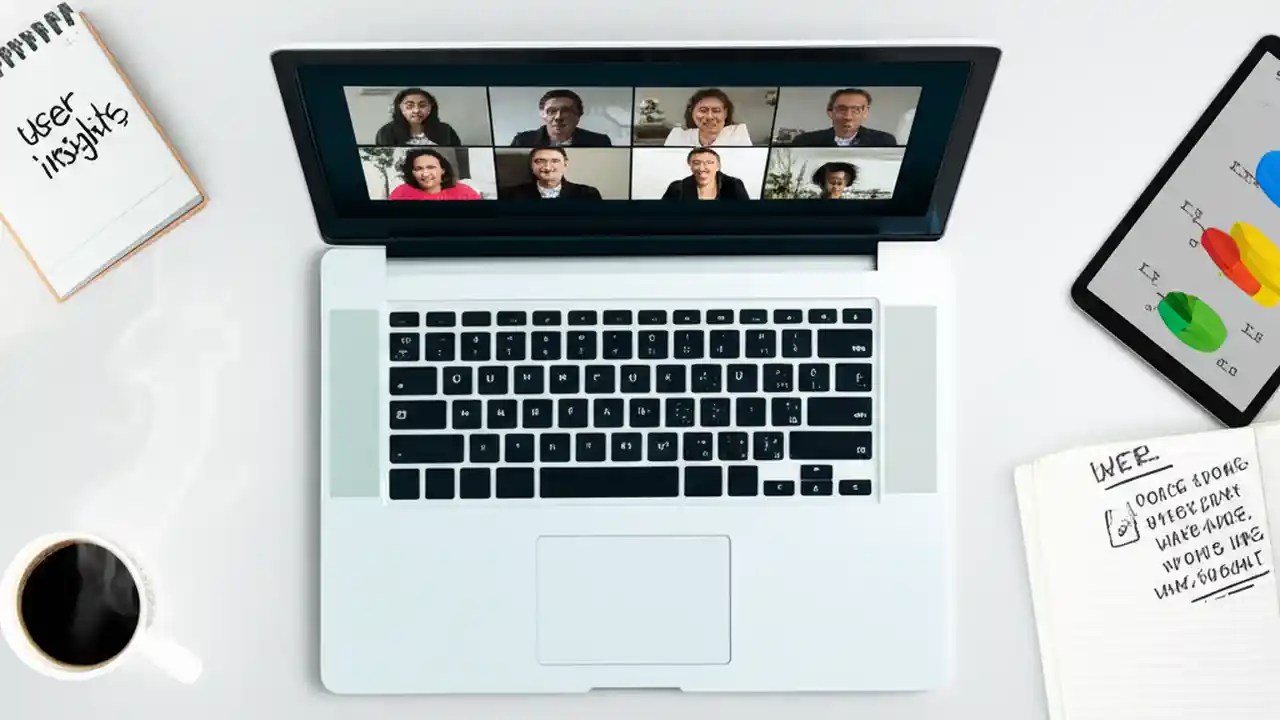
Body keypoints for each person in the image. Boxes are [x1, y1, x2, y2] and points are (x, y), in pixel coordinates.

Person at [788, 88, 898, 147]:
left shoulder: (884, 141)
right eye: (842, 109)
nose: (848, 117)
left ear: (865, 112)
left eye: (856, 110)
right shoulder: (804, 141)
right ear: (830, 111)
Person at [509, 89, 613, 147]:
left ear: (579, 115)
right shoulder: (522, 141)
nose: (558, 117)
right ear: (542, 114)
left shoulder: (599, 142)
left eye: (566, 111)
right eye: (551, 111)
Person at [500, 147, 604, 200]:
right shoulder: (510, 194)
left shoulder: (587, 194)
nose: (547, 167)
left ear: (565, 164)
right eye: (540, 161)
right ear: (531, 165)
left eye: (555, 161)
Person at [374, 88, 464, 146]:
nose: (416, 110)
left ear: (431, 107)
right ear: (399, 108)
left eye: (422, 105)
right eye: (410, 106)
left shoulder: (445, 130)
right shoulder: (386, 132)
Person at [663, 88, 752, 146]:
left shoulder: (737, 133)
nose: (709, 116)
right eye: (703, 110)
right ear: (692, 112)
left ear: (725, 113)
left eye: (716, 111)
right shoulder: (678, 136)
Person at [388, 148, 482, 200]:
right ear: (412, 172)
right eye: (418, 169)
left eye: (431, 167)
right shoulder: (401, 193)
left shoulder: (465, 193)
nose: (425, 174)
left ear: (443, 170)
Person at [661, 147, 750, 200]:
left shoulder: (734, 185)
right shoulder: (677, 187)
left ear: (718, 166)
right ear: (690, 165)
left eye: (709, 162)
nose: (702, 168)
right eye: (696, 163)